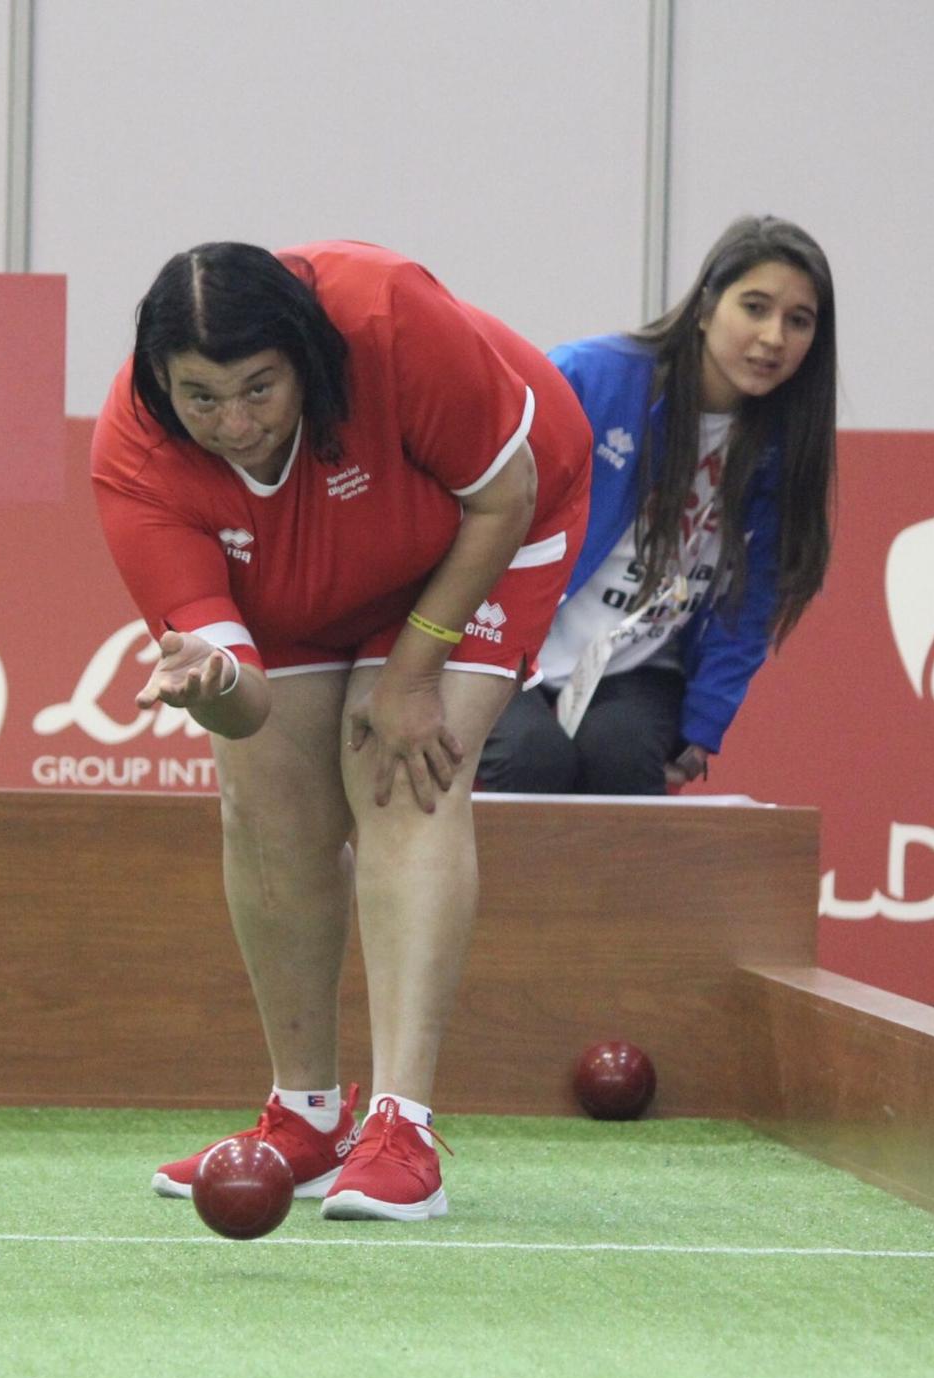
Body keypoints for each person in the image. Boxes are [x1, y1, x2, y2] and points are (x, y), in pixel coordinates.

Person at [91, 240, 591, 1220]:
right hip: (299, 558)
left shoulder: (388, 319)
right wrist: (215, 684)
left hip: (480, 522)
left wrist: (414, 670)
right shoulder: (137, 454)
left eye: (259, 390)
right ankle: (307, 1118)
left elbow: (507, 492)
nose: (233, 424)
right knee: (261, 790)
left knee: (400, 763)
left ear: (305, 358)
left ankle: (403, 1128)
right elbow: (248, 701)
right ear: (160, 384)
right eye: (201, 398)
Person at [475, 215, 837, 796]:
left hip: (634, 668)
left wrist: (701, 727)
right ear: (704, 307)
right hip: (507, 644)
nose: (774, 337)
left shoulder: (787, 447)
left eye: (799, 321)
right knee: (530, 764)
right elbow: (478, 498)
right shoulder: (591, 376)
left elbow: (750, 603)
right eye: (755, 307)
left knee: (622, 762)